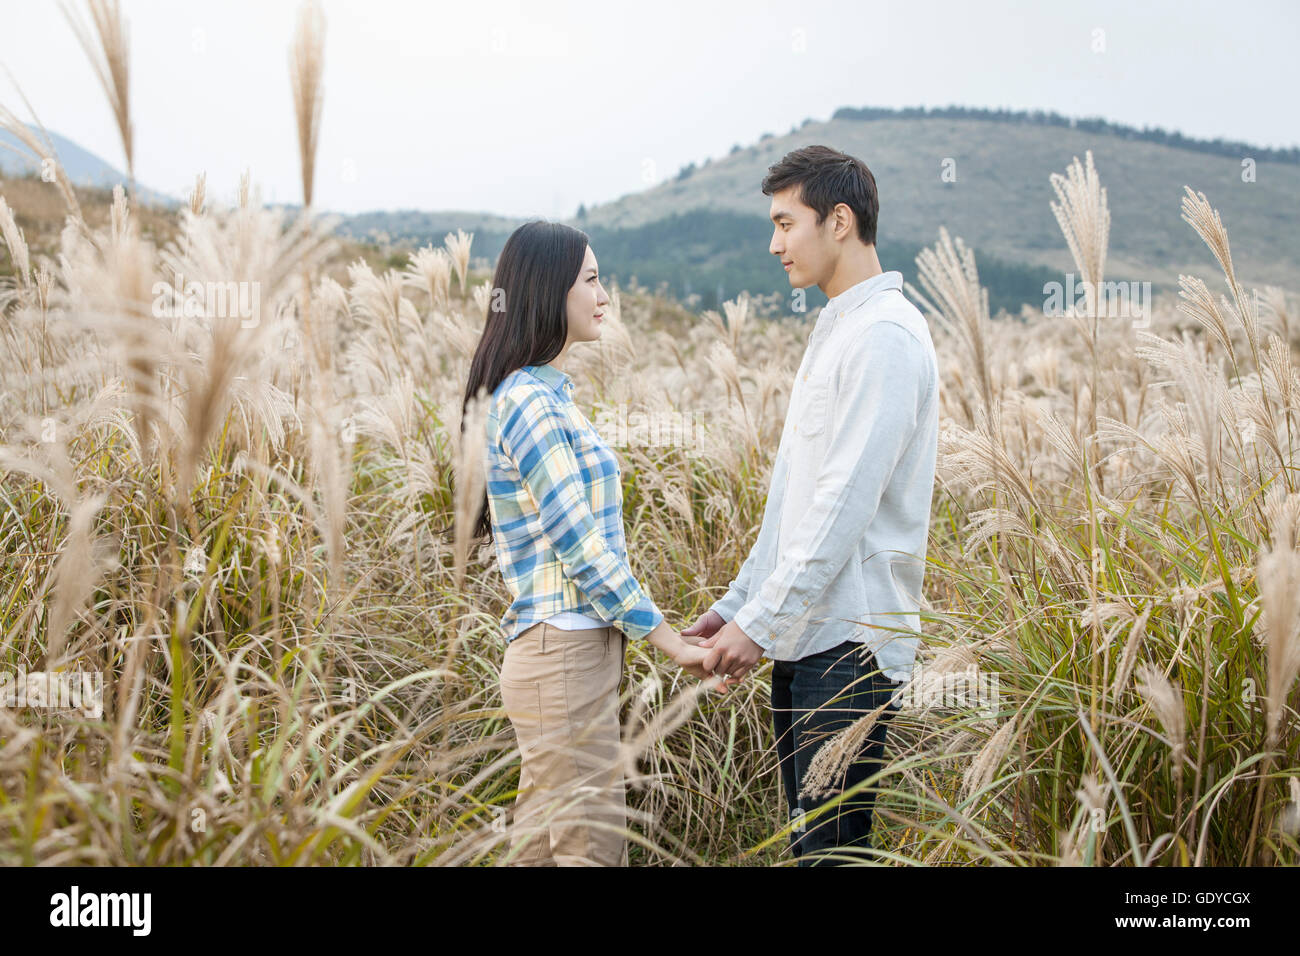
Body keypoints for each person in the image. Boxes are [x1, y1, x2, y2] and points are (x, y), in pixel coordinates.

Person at [684, 145, 940, 865]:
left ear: (839, 220)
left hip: (849, 646)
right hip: (806, 637)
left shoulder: (884, 336)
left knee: (832, 856)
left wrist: (760, 622)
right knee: (813, 853)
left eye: (785, 223)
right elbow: (796, 502)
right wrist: (741, 605)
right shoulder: (837, 328)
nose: (774, 244)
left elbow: (845, 505)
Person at [463, 220, 711, 867]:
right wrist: (671, 641)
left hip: (570, 654)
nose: (605, 295)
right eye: (592, 279)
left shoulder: (548, 395)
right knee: (592, 849)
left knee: (542, 852)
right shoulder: (529, 403)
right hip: (562, 655)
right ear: (551, 289)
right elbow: (581, 547)